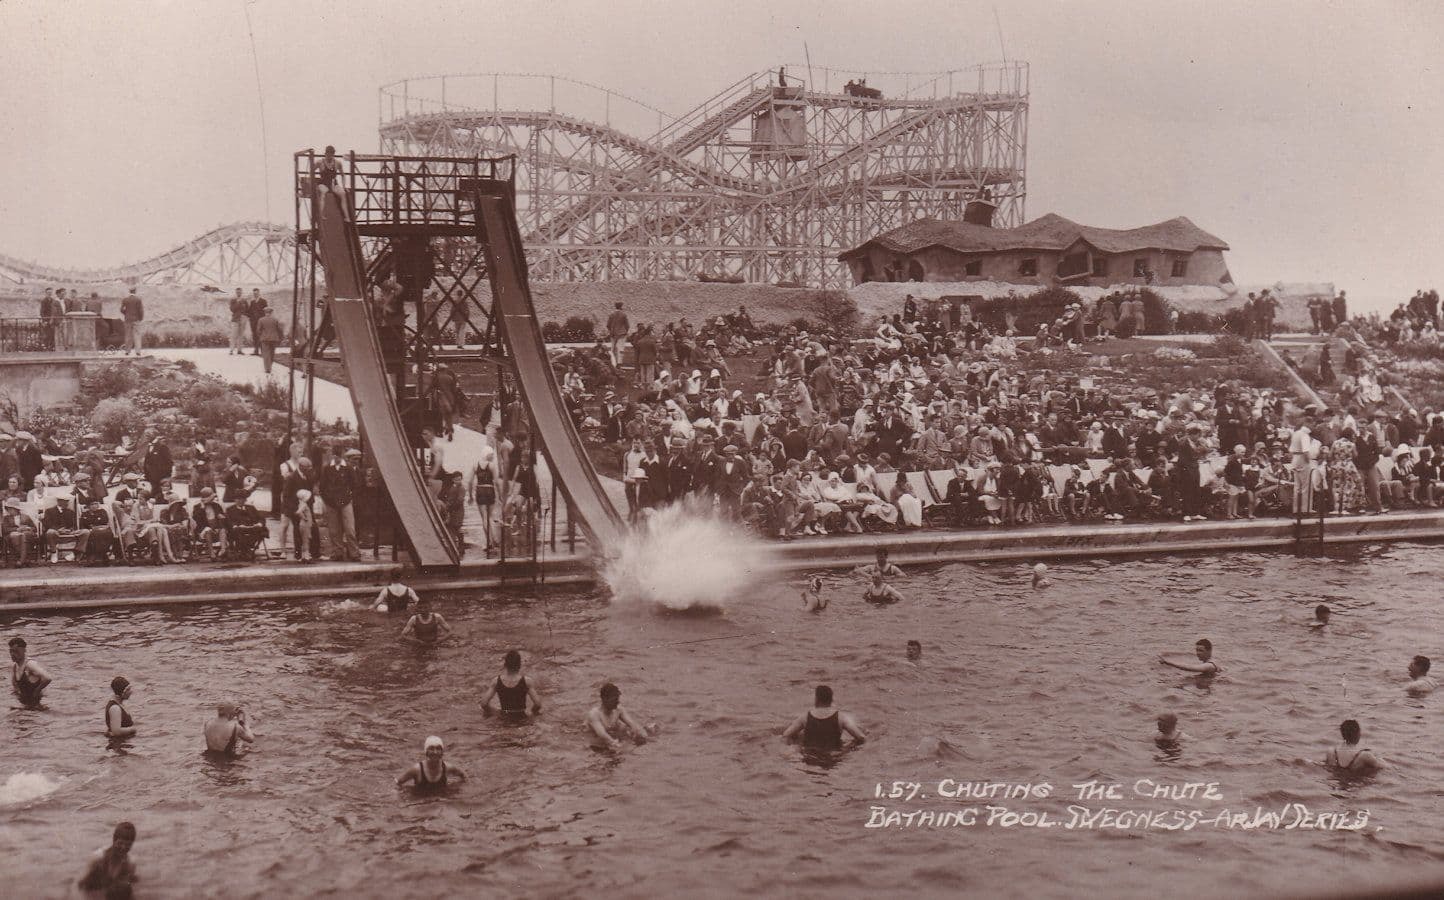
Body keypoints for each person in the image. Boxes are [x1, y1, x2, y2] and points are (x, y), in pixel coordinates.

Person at [782, 685, 867, 750]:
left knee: (796, 736)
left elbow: (786, 735)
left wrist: (793, 748)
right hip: (833, 759)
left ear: (816, 699)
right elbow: (861, 738)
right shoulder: (841, 717)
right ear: (831, 700)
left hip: (809, 758)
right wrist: (848, 748)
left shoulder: (805, 717)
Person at [320, 447, 361, 561]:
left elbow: (355, 485)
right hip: (331, 502)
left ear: (342, 455)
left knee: (349, 528)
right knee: (334, 529)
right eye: (335, 455)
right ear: (332, 455)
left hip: (345, 501)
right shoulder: (327, 468)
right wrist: (328, 500)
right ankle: (337, 552)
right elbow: (322, 487)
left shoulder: (347, 468)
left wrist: (349, 497)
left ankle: (354, 553)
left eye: (338, 455)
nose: (336, 458)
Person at [78, 821, 138, 895]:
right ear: (114, 840)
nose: (123, 847)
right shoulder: (98, 857)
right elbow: (80, 885)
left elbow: (129, 890)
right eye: (120, 843)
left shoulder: (130, 863)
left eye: (128, 844)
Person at [586, 682, 649, 751]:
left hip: (611, 733)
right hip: (596, 739)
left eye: (617, 699)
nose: (618, 702)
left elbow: (632, 723)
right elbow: (602, 735)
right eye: (615, 699)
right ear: (605, 699)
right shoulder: (594, 714)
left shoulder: (618, 709)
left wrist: (641, 733)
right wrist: (615, 744)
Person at [480, 650, 543, 717]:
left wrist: (495, 712)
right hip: (521, 718)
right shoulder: (527, 681)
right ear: (519, 665)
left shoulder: (496, 681)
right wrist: (532, 712)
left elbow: (484, 704)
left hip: (504, 718)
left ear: (505, 664)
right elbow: (538, 704)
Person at [396, 735, 466, 792]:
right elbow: (398, 783)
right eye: (431, 749)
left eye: (438, 749)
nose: (435, 752)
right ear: (426, 752)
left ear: (442, 752)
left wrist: (456, 788)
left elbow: (464, 777)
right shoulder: (417, 769)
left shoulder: (448, 767)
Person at [10, 636, 51, 705]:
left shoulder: (30, 664)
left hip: (35, 705)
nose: (12, 654)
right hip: (24, 703)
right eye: (11, 651)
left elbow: (47, 678)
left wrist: (37, 691)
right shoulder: (15, 667)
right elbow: (15, 686)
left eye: (16, 651)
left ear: (24, 650)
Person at [256, 304, 284, 374]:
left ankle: (267, 369)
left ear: (265, 312)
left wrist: (260, 336)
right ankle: (270, 366)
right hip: (274, 339)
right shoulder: (275, 320)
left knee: (266, 354)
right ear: (271, 313)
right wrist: (280, 337)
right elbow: (280, 329)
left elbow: (258, 330)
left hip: (265, 339)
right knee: (272, 354)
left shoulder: (261, 320)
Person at [120, 287, 144, 355]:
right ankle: (138, 351)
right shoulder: (138, 300)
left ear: (129, 291)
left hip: (127, 319)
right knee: (137, 335)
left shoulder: (125, 300)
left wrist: (126, 314)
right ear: (135, 291)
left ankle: (127, 351)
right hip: (136, 319)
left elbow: (121, 309)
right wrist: (140, 318)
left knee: (128, 335)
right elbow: (141, 310)